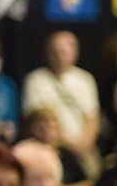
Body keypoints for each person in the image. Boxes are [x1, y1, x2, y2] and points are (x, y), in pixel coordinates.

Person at [22, 32, 100, 177]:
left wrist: (81, 146)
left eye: (63, 51)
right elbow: (34, 119)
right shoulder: (35, 80)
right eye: (55, 51)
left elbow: (92, 119)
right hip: (46, 147)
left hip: (82, 149)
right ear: (47, 53)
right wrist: (65, 145)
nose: (59, 56)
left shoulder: (85, 80)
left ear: (74, 53)